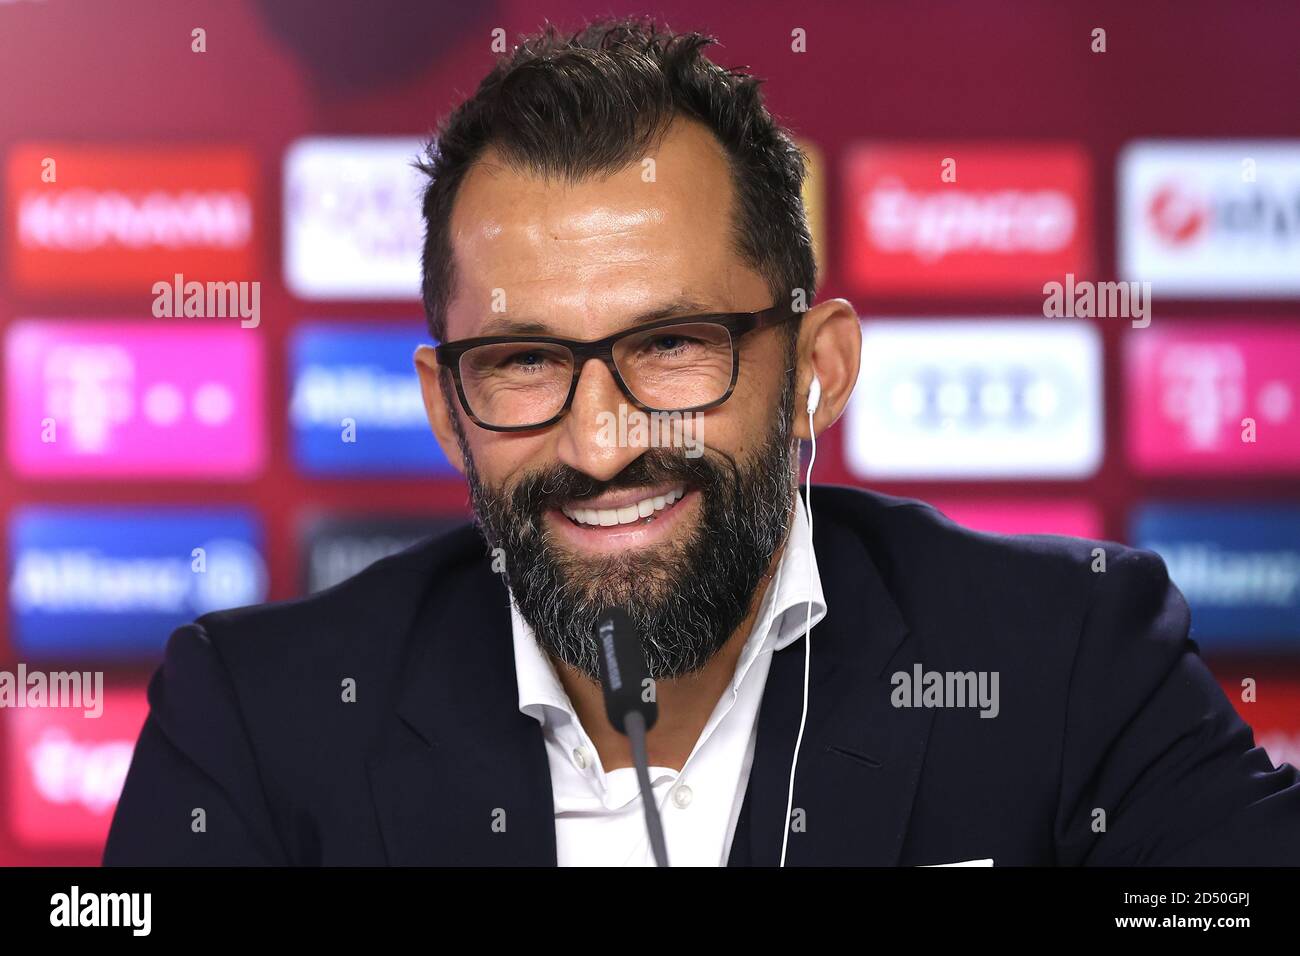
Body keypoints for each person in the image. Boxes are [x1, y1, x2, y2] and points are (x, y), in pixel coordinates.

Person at [104, 18, 1300, 867]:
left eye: (672, 343)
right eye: (523, 361)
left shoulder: (1069, 660)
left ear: (814, 369)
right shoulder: (253, 719)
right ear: (444, 407)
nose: (605, 438)